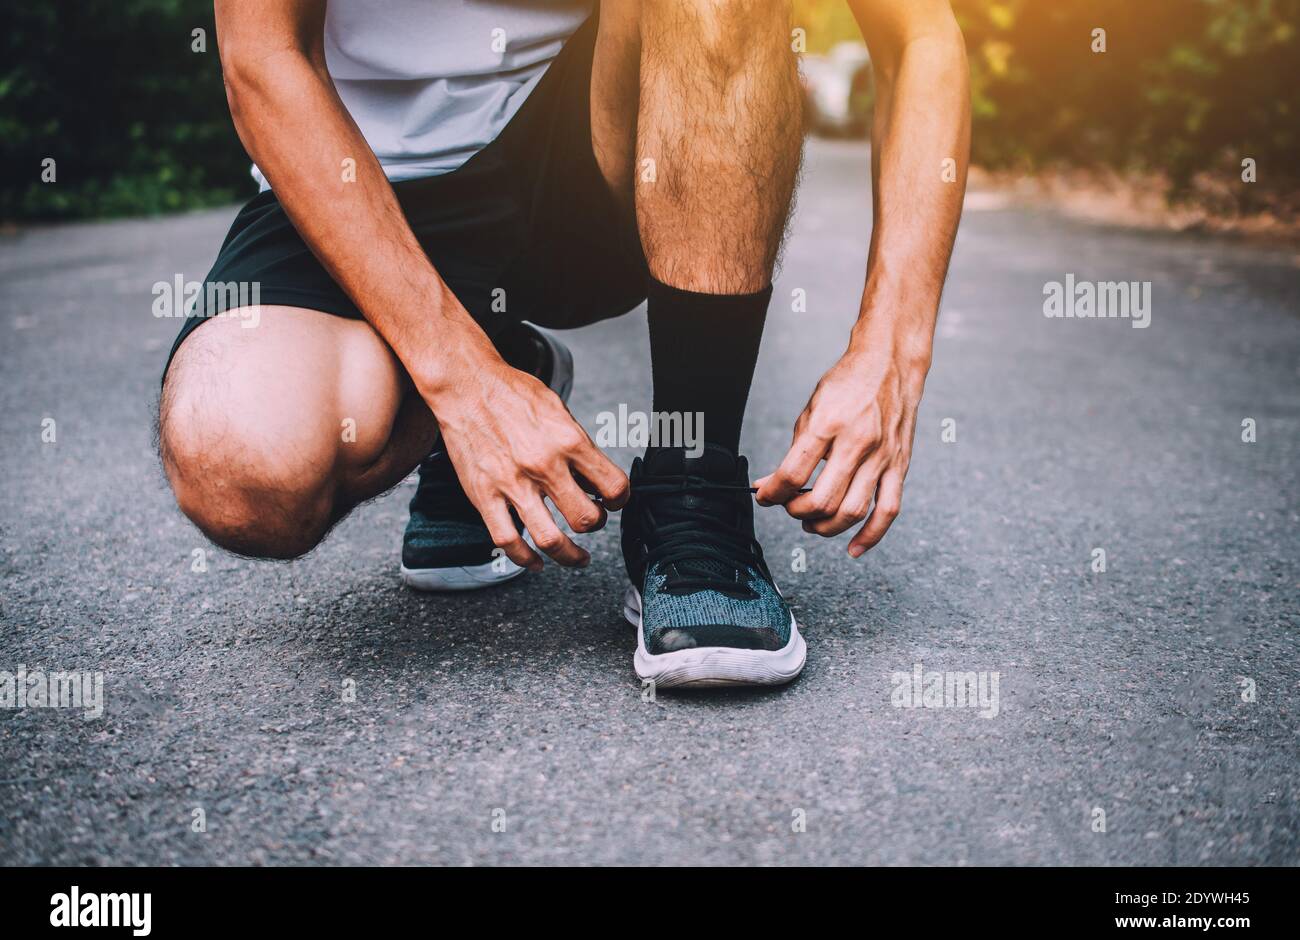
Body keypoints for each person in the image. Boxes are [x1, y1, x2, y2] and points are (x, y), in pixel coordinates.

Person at [158, 0, 970, 688]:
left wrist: (891, 352)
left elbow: (921, 37)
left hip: (587, 153)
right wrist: (465, 383)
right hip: (356, 176)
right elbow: (263, 58)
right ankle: (505, 361)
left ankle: (693, 488)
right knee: (245, 471)